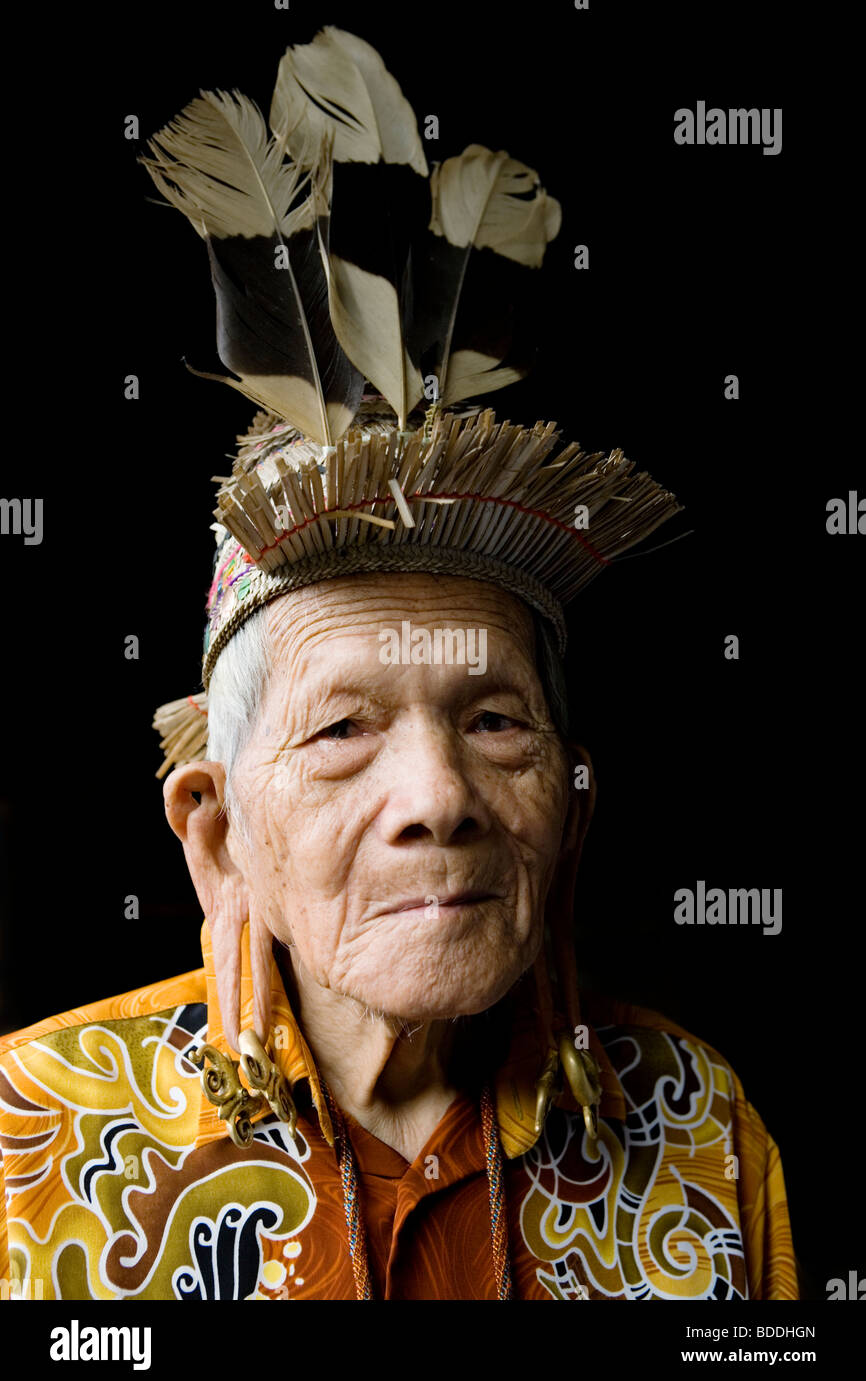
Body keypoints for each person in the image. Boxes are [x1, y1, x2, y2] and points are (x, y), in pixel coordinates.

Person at [0, 25, 797, 1301]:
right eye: (337, 731)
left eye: (494, 721)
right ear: (215, 832)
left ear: (573, 812)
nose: (438, 798)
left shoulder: (703, 1132)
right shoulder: (23, 1148)